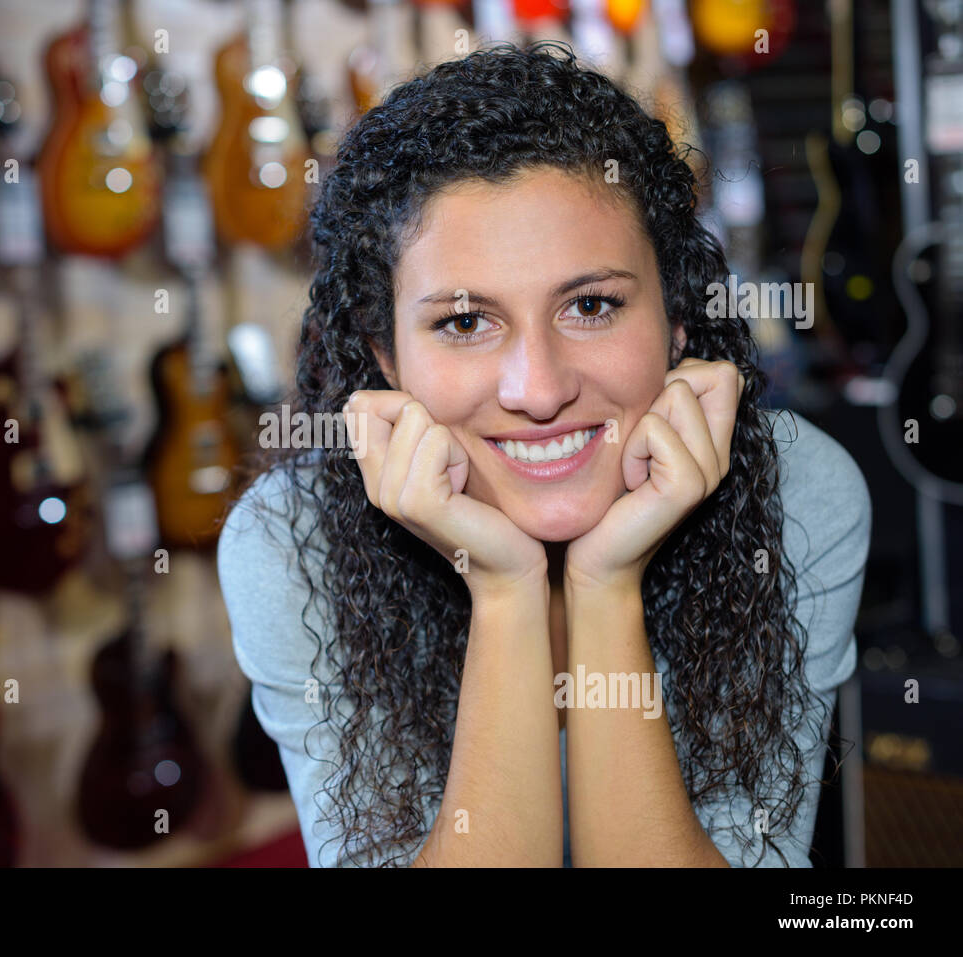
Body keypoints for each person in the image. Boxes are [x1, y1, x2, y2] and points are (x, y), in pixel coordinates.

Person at [217, 43, 870, 867]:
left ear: (675, 320)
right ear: (386, 358)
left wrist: (604, 585)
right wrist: (504, 588)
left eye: (591, 305)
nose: (538, 387)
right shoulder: (292, 545)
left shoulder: (799, 496)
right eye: (464, 322)